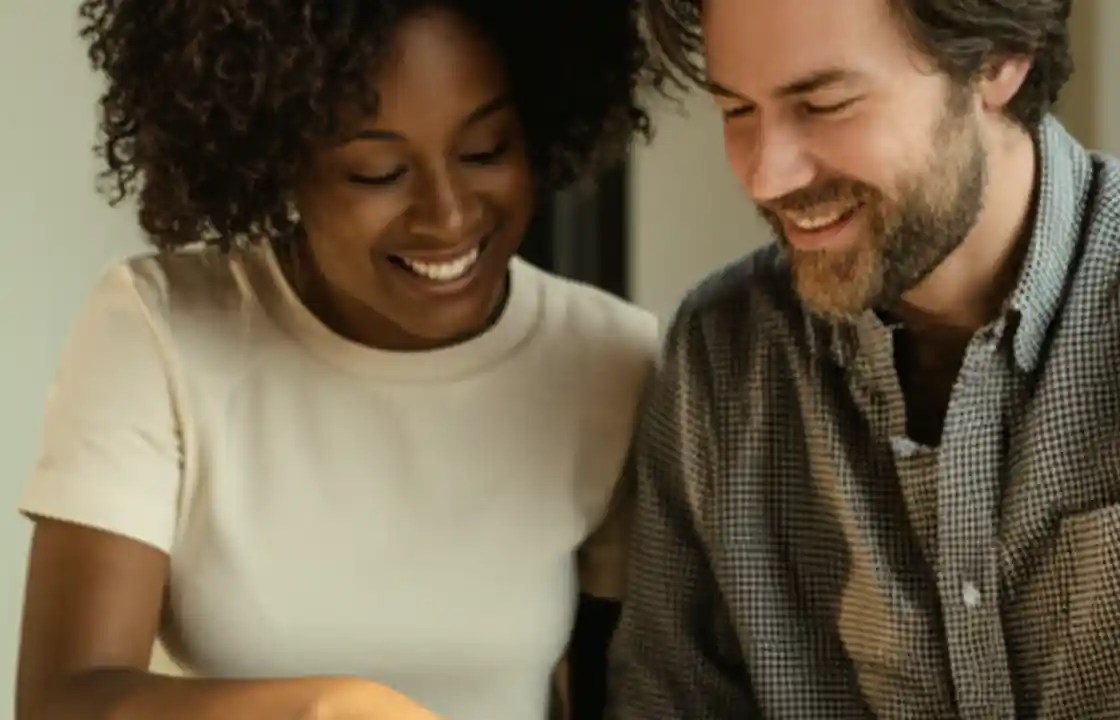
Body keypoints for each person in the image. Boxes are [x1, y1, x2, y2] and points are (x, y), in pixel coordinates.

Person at [609, 0, 1120, 717]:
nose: (766, 175)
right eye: (736, 110)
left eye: (826, 104)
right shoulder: (724, 357)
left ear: (997, 60)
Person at [16, 1, 655, 719]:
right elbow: (63, 699)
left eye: (485, 152)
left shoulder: (612, 361)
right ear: (277, 163)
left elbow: (618, 695)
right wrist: (324, 706)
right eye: (377, 172)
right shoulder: (158, 330)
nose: (447, 215)